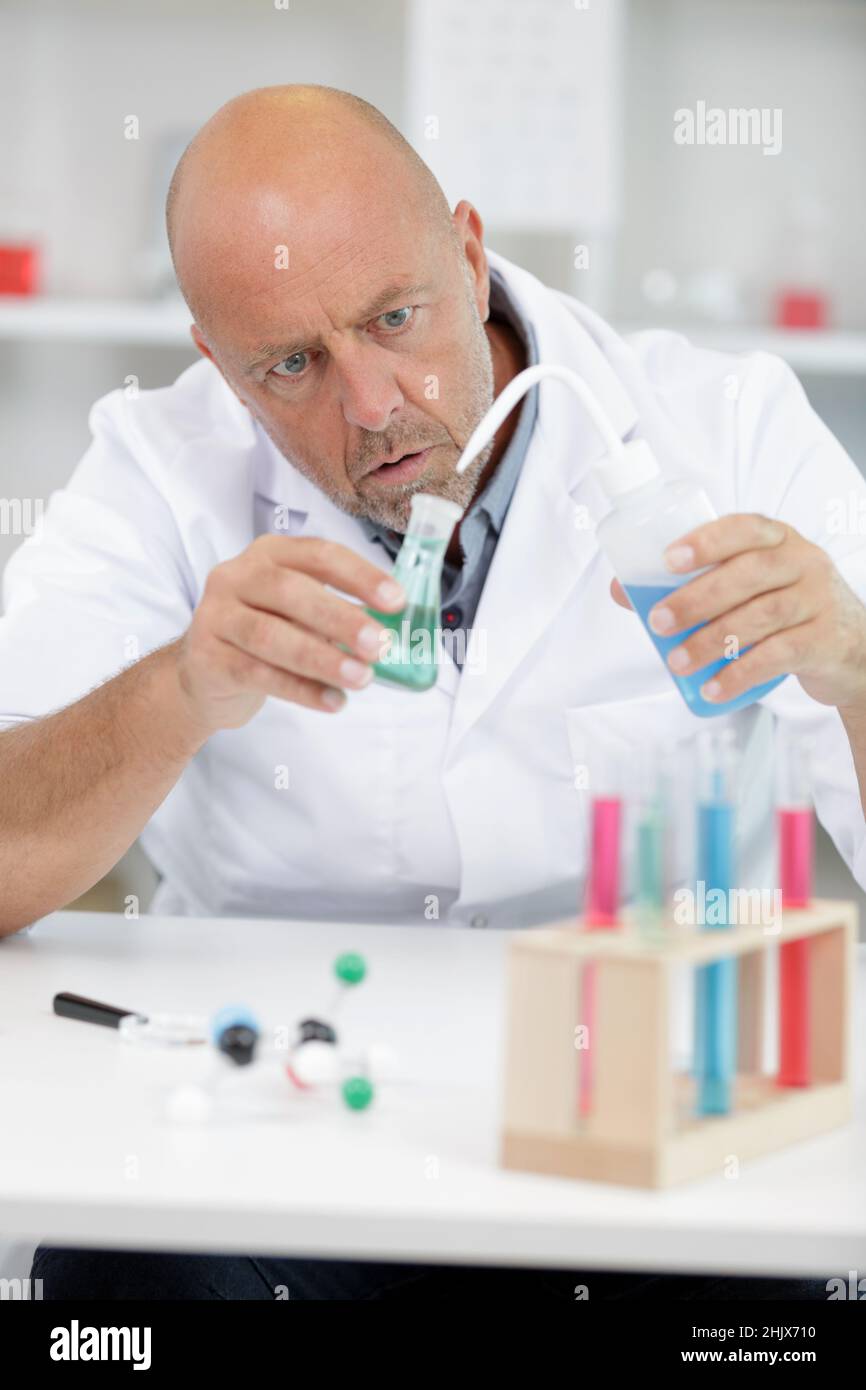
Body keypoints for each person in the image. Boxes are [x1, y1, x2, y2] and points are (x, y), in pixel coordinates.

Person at [3, 85, 864, 1300]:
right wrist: (181, 687)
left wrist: (853, 668)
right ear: (217, 360)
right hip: (273, 1134)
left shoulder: (721, 427)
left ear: (468, 253)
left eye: (394, 318)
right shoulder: (157, 468)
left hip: (645, 1117)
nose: (371, 406)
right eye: (289, 364)